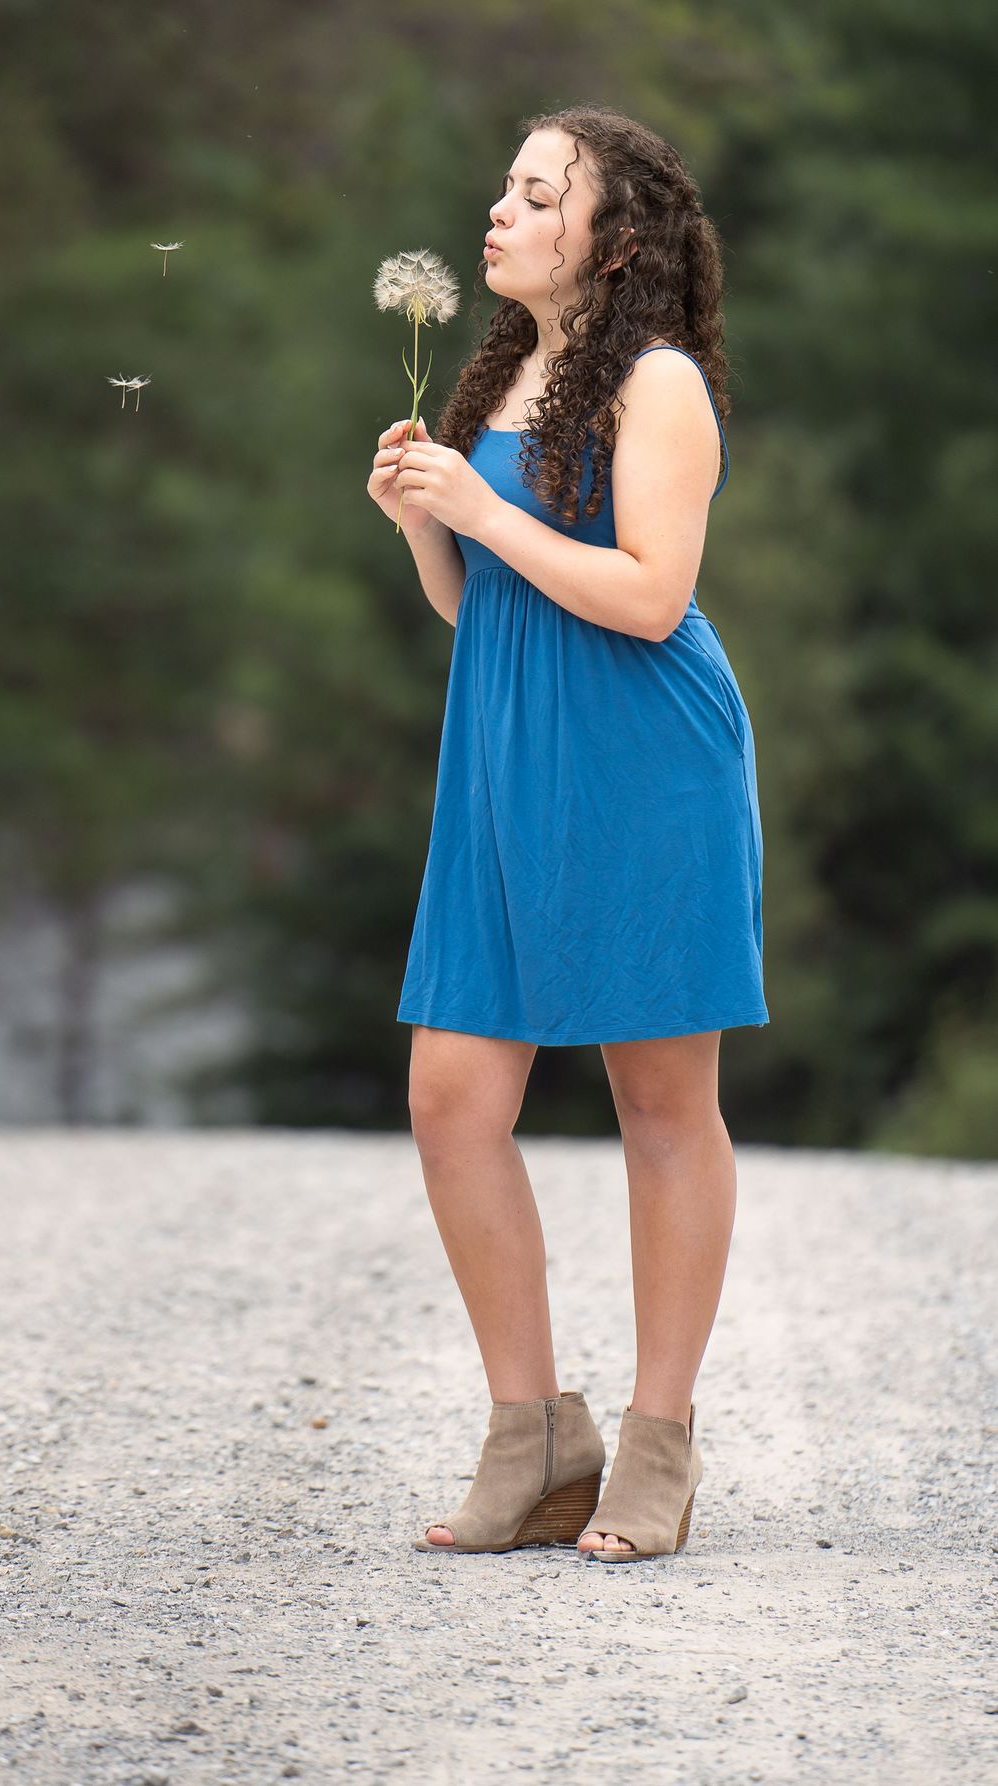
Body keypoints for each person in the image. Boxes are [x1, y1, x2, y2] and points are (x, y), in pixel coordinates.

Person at [366, 104, 768, 1564]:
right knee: (451, 1097)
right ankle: (535, 1439)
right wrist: (428, 518)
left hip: (645, 763)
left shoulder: (656, 383)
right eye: (506, 187)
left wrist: (483, 502)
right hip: (505, 763)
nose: (501, 209)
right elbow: (492, 610)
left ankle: (657, 1445)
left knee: (662, 1103)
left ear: (616, 240)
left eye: (539, 194)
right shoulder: (505, 377)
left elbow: (651, 595)